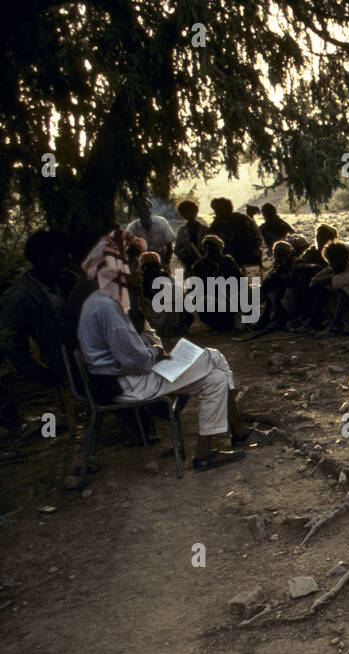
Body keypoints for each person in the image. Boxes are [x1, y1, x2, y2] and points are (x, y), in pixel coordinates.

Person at [76, 234, 276, 470]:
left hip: (125, 378)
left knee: (216, 377)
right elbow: (137, 360)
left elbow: (143, 344)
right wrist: (154, 352)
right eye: (134, 265)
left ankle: (207, 452)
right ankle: (239, 433)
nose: (139, 271)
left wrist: (153, 349)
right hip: (129, 383)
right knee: (214, 357)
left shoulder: (105, 300)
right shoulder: (109, 307)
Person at [0, 230, 75, 395]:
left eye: (65, 263)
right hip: (66, 366)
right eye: (58, 264)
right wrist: (37, 372)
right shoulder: (19, 296)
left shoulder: (66, 282)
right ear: (40, 261)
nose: (64, 270)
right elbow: (9, 341)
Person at [208, 198, 263, 269]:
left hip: (247, 253)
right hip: (228, 255)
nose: (216, 212)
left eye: (218, 209)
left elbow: (257, 237)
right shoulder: (216, 224)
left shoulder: (242, 219)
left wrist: (254, 248)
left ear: (226, 209)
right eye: (215, 210)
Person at [172, 200, 208, 273]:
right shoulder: (182, 231)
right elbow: (177, 250)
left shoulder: (205, 230)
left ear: (196, 212)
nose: (189, 215)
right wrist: (185, 254)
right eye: (185, 213)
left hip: (205, 265)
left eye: (191, 212)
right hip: (189, 265)